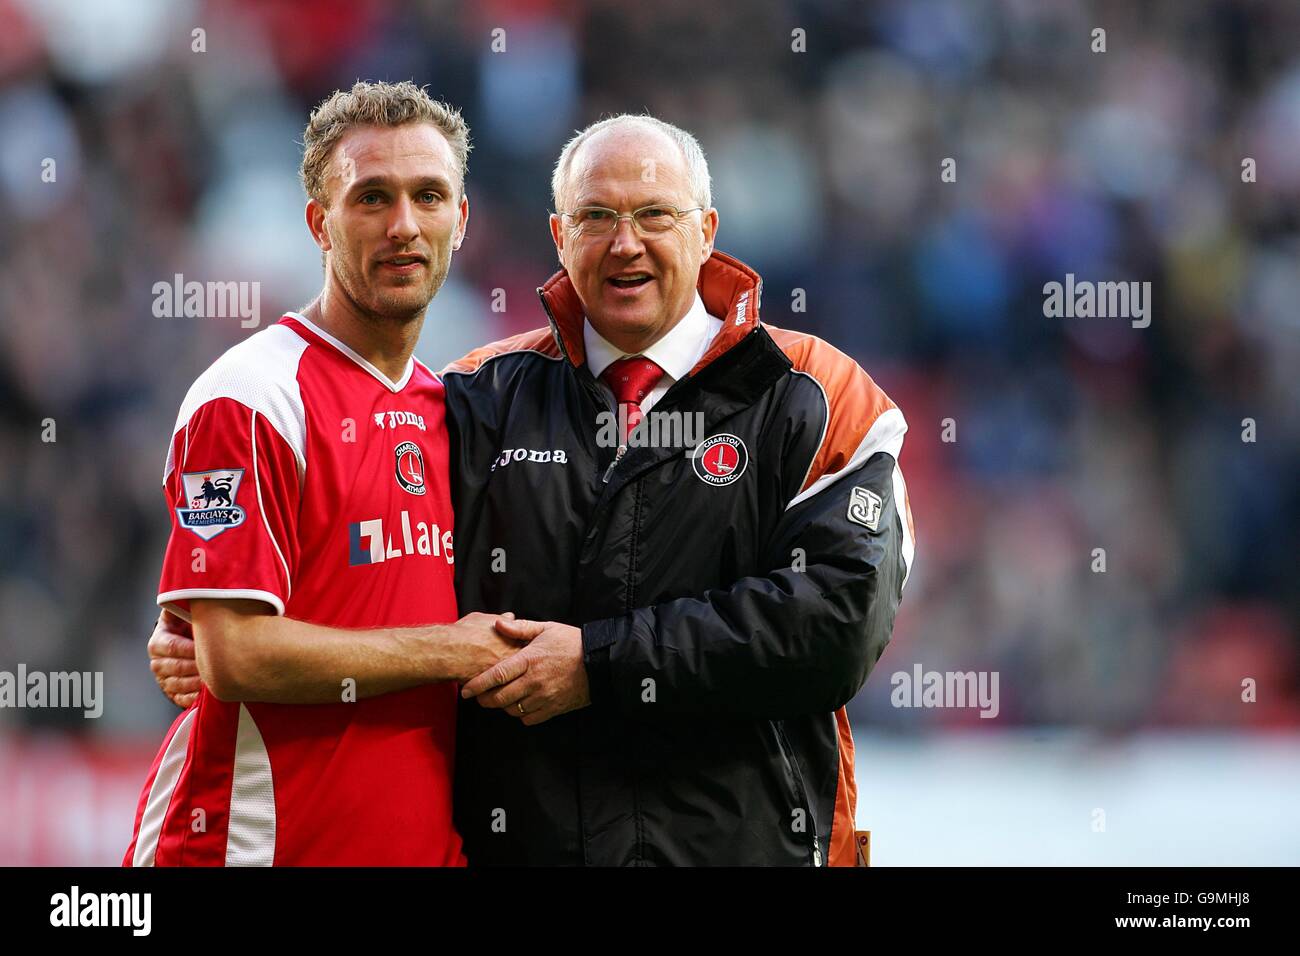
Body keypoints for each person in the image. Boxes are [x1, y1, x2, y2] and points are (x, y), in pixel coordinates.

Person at [152, 114, 915, 866]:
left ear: (707, 229)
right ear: (558, 236)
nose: (626, 242)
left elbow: (834, 627)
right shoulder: (472, 401)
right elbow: (372, 571)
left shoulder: (818, 396)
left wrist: (596, 666)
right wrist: (213, 627)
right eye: (596, 216)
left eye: (654, 214)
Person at [125, 81, 524, 866]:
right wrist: (451, 651)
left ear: (462, 219)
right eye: (372, 197)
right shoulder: (252, 397)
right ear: (319, 222)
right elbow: (236, 657)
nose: (404, 226)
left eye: (428, 196)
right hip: (254, 847)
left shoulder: (457, 414)